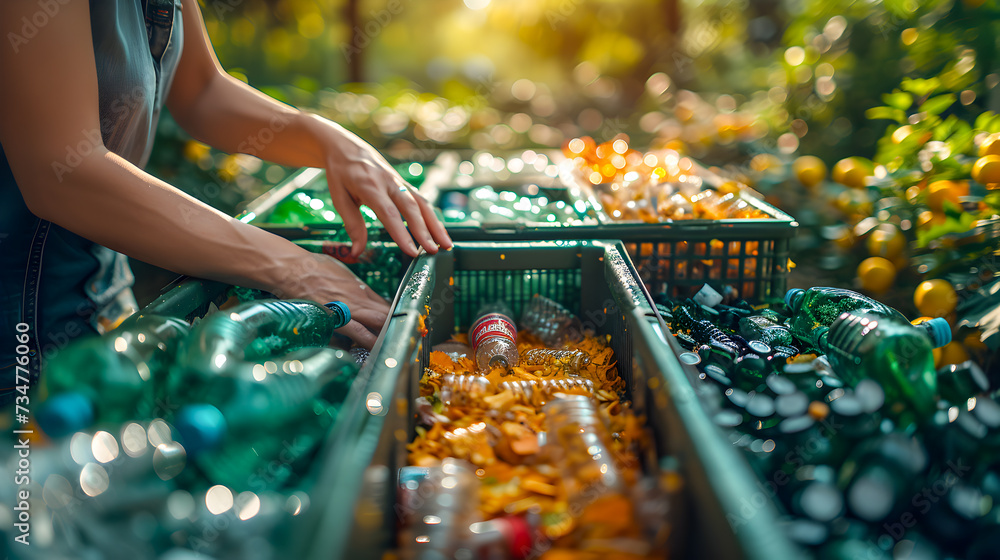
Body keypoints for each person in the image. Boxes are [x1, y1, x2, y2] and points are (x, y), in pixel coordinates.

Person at [0, 0, 452, 405]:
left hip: (104, 299)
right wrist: (294, 267)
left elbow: (200, 91)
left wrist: (331, 142)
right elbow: (61, 170)